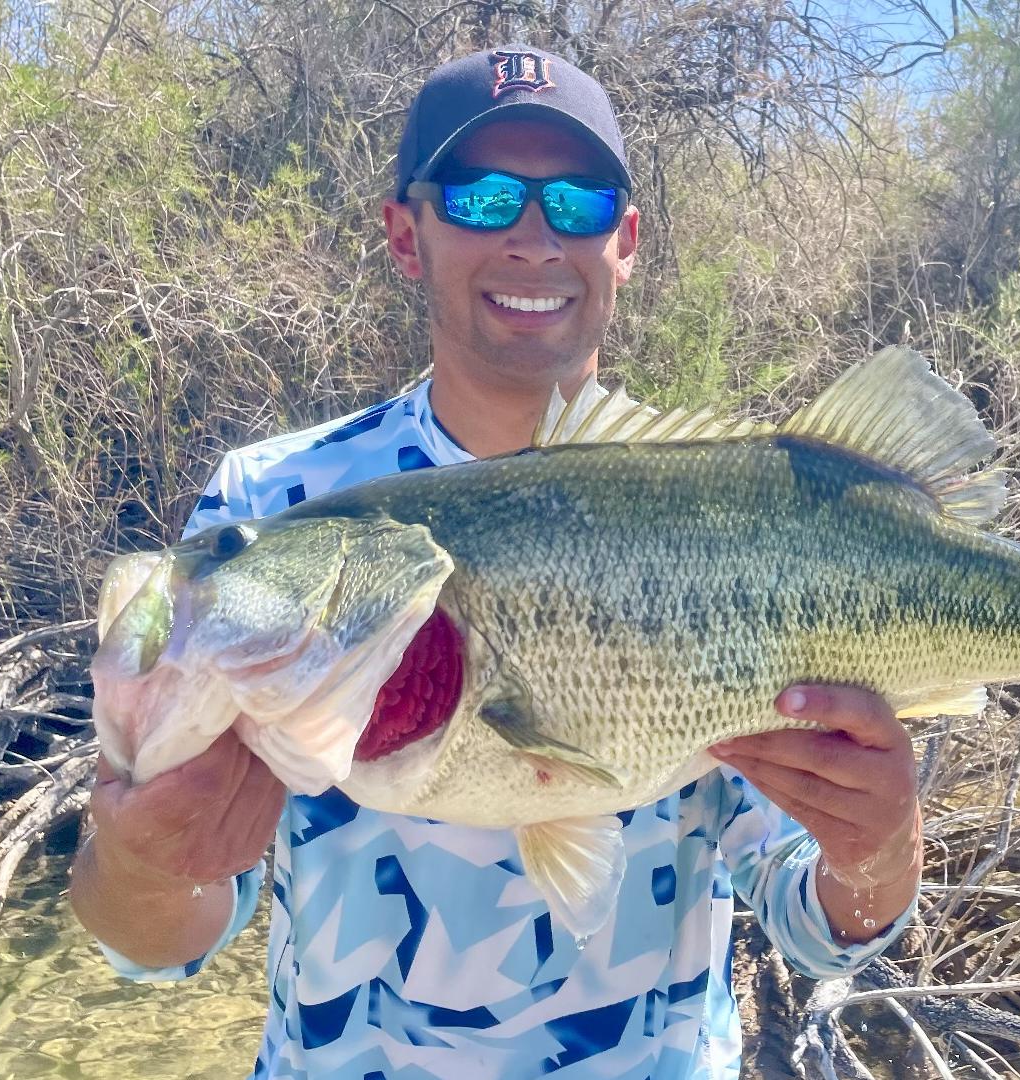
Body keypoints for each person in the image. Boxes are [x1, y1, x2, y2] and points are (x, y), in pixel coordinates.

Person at [70, 46, 924, 1080]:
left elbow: (826, 928)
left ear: (627, 241)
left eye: (577, 200)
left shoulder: (733, 514)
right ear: (404, 234)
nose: (531, 236)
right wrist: (143, 862)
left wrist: (879, 844)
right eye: (478, 197)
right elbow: (154, 946)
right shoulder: (270, 504)